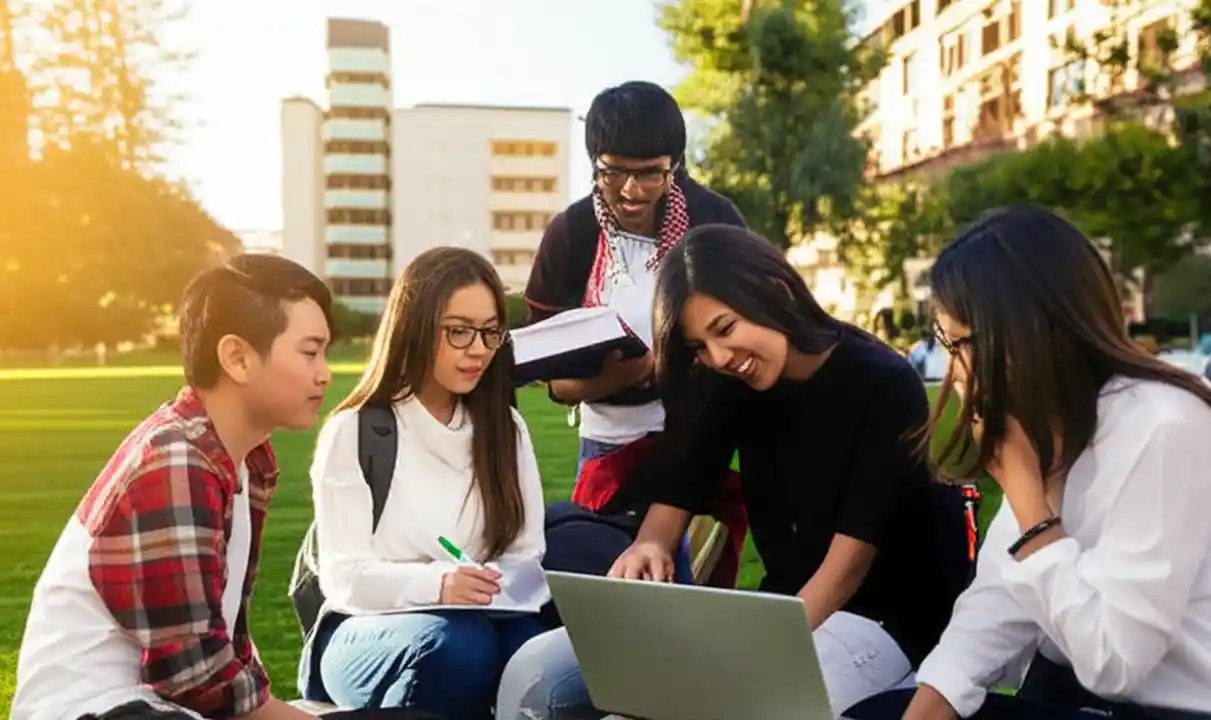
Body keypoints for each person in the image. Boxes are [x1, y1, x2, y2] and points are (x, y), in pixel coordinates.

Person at [497, 225, 968, 719]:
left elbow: (848, 564)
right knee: (535, 673)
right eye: (698, 346)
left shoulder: (884, 385)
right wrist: (650, 546)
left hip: (875, 623)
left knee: (696, 707)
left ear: (774, 290)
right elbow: (679, 489)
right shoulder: (725, 379)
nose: (719, 357)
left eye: (724, 328)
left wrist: (746, 652)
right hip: (772, 613)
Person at [853, 205, 1211, 720]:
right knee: (879, 713)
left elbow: (1115, 662)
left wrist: (1031, 506)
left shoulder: (1164, 427)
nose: (956, 371)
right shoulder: (1051, 429)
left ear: (1026, 333)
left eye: (958, 344)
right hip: (1102, 697)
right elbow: (994, 607)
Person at [13, 254, 335, 720]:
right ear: (237, 358)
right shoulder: (176, 460)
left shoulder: (246, 461)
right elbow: (194, 675)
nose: (324, 372)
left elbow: (224, 645)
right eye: (310, 352)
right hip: (98, 708)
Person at [299, 248, 550, 719]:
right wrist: (439, 584)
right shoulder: (359, 429)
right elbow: (345, 577)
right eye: (458, 331)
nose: (477, 349)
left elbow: (525, 554)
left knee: (535, 651)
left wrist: (489, 585)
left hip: (486, 616)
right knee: (459, 647)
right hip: (367, 628)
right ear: (415, 326)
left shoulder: (505, 429)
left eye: (490, 331)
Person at [523, 81, 751, 585]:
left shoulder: (714, 221)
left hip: (698, 430)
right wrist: (616, 379)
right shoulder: (573, 235)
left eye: (651, 173)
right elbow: (553, 381)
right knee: (616, 578)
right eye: (614, 171)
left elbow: (755, 325)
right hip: (609, 440)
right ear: (593, 164)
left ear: (677, 164)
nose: (631, 190)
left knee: (670, 578)